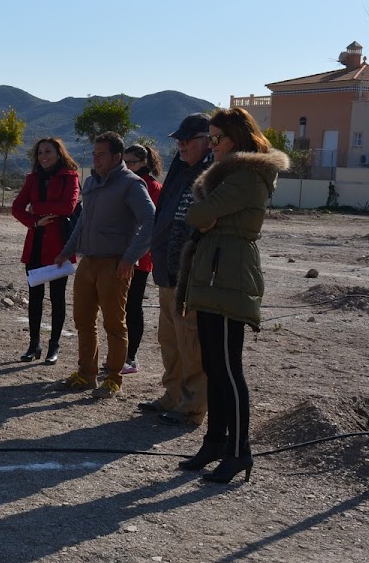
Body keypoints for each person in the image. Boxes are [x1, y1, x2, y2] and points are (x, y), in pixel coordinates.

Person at [176, 108, 289, 484]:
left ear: (236, 139)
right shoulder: (231, 176)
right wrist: (207, 215)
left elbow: (199, 213)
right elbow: (202, 214)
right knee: (214, 367)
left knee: (228, 369)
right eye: (209, 138)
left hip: (230, 275)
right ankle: (215, 443)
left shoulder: (247, 175)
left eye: (216, 139)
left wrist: (207, 215)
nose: (211, 146)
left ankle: (240, 451)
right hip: (214, 274)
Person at [54, 132, 155, 398]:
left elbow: (151, 221)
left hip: (115, 265)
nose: (95, 159)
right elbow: (84, 222)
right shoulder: (91, 182)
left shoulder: (131, 185)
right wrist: (67, 252)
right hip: (88, 262)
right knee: (83, 321)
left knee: (114, 324)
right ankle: (86, 374)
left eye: (101, 155)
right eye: (94, 154)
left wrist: (130, 258)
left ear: (117, 156)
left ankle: (113, 377)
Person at [140, 114, 213, 426]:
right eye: (179, 141)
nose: (181, 146)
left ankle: (193, 405)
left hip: (190, 272)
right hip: (167, 269)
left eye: (187, 140)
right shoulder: (181, 168)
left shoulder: (212, 173)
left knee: (191, 342)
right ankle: (172, 395)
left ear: (207, 140)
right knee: (169, 338)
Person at [11, 137, 80, 365]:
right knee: (35, 297)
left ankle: (54, 346)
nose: (43, 156)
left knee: (57, 298)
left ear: (59, 153)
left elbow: (68, 207)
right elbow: (17, 208)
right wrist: (35, 222)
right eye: (40, 152)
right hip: (36, 246)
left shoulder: (70, 176)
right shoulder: (32, 179)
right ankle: (34, 344)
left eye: (48, 151)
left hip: (59, 246)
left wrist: (37, 208)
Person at [119, 142, 163, 374]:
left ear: (144, 162)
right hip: (120, 253)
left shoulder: (153, 187)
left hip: (141, 257)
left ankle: (131, 356)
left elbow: (151, 224)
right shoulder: (124, 181)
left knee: (133, 306)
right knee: (118, 307)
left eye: (132, 162)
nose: (127, 166)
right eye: (124, 162)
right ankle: (119, 354)